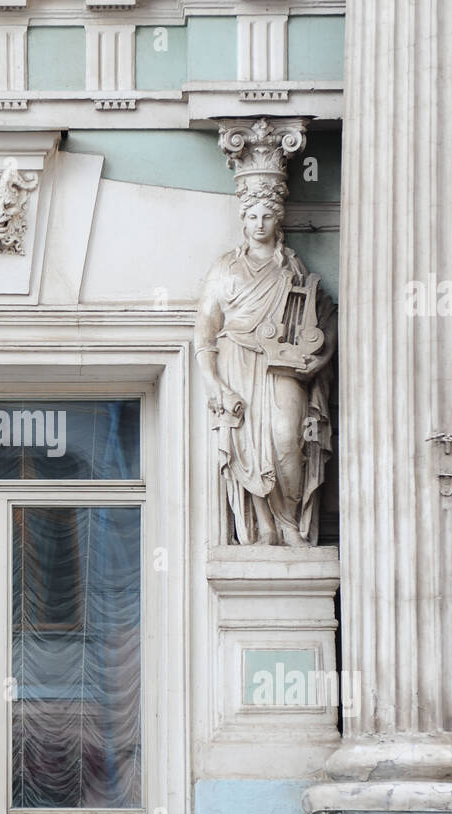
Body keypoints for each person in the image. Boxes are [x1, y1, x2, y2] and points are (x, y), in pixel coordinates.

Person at [195, 184, 335, 546]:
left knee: (287, 438)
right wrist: (214, 384)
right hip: (235, 358)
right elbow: (205, 333)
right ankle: (266, 528)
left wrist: (319, 359)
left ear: (278, 220)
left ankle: (290, 522)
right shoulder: (225, 267)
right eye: (253, 216)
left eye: (267, 216)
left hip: (282, 364)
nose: (260, 224)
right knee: (248, 445)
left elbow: (320, 319)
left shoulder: (292, 265)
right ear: (244, 220)